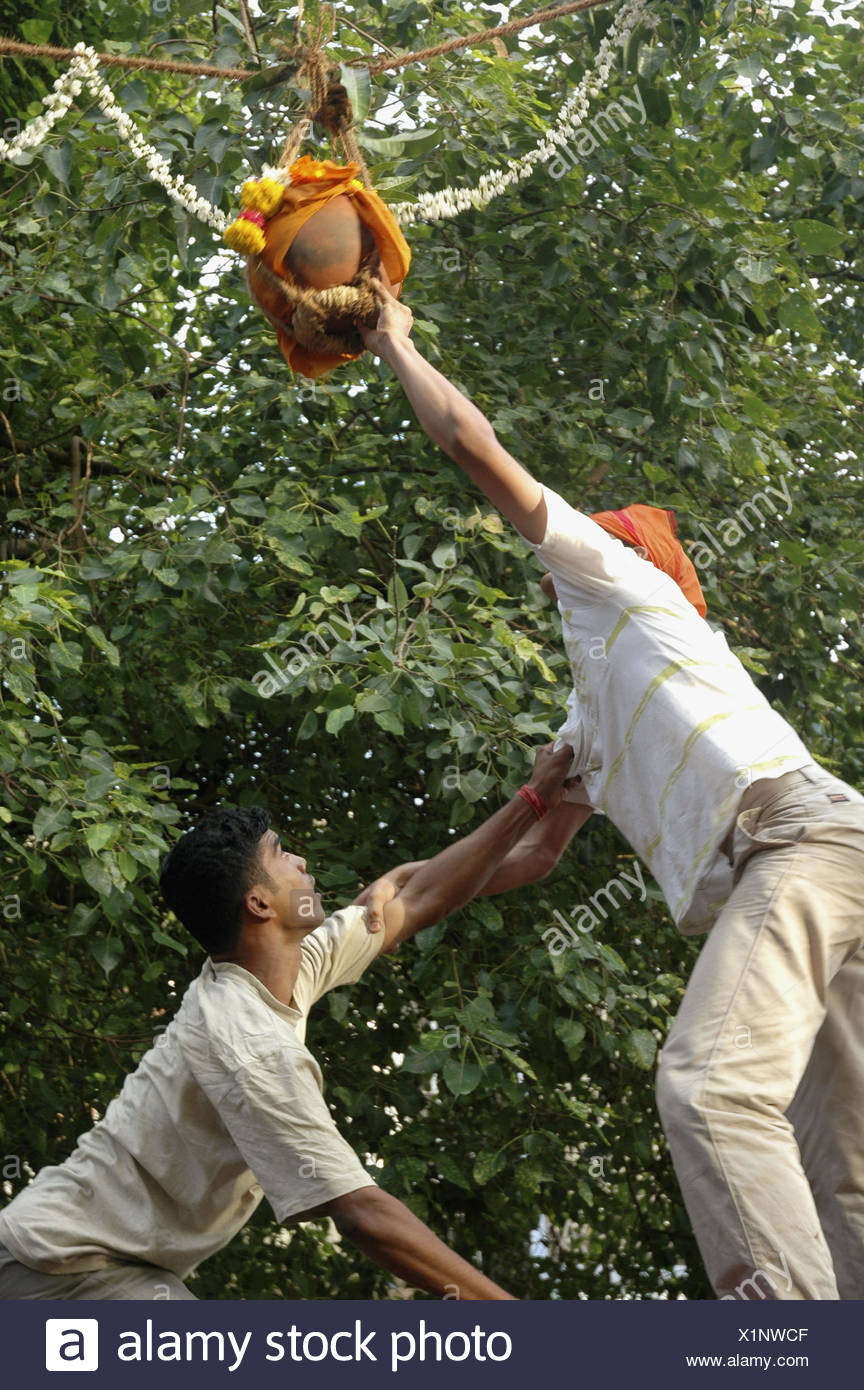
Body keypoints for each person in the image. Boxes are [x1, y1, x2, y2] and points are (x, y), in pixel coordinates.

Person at [357, 274, 864, 1302]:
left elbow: (469, 443)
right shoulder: (590, 715)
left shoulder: (625, 587)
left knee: (707, 1088)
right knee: (837, 1170)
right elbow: (535, 856)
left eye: (599, 527)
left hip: (800, 845)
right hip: (823, 860)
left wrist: (393, 343)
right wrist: (394, 904)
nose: (570, 536)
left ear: (635, 557)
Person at [0, 742, 571, 1301]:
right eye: (282, 855)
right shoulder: (247, 1044)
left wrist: (551, 796)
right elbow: (361, 1214)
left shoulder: (292, 964)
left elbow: (427, 893)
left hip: (112, 1266)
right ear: (259, 905)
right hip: (51, 1268)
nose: (302, 862)